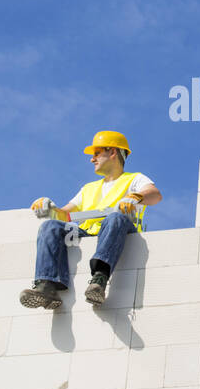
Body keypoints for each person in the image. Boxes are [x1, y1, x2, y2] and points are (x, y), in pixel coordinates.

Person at [20, 130, 161, 310]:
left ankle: (99, 278)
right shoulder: (88, 188)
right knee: (50, 226)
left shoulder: (134, 179)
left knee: (115, 217)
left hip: (117, 229)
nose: (92, 159)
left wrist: (135, 197)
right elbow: (65, 215)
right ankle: (47, 286)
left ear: (112, 152)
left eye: (97, 153)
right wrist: (50, 208)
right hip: (88, 233)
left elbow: (155, 195)